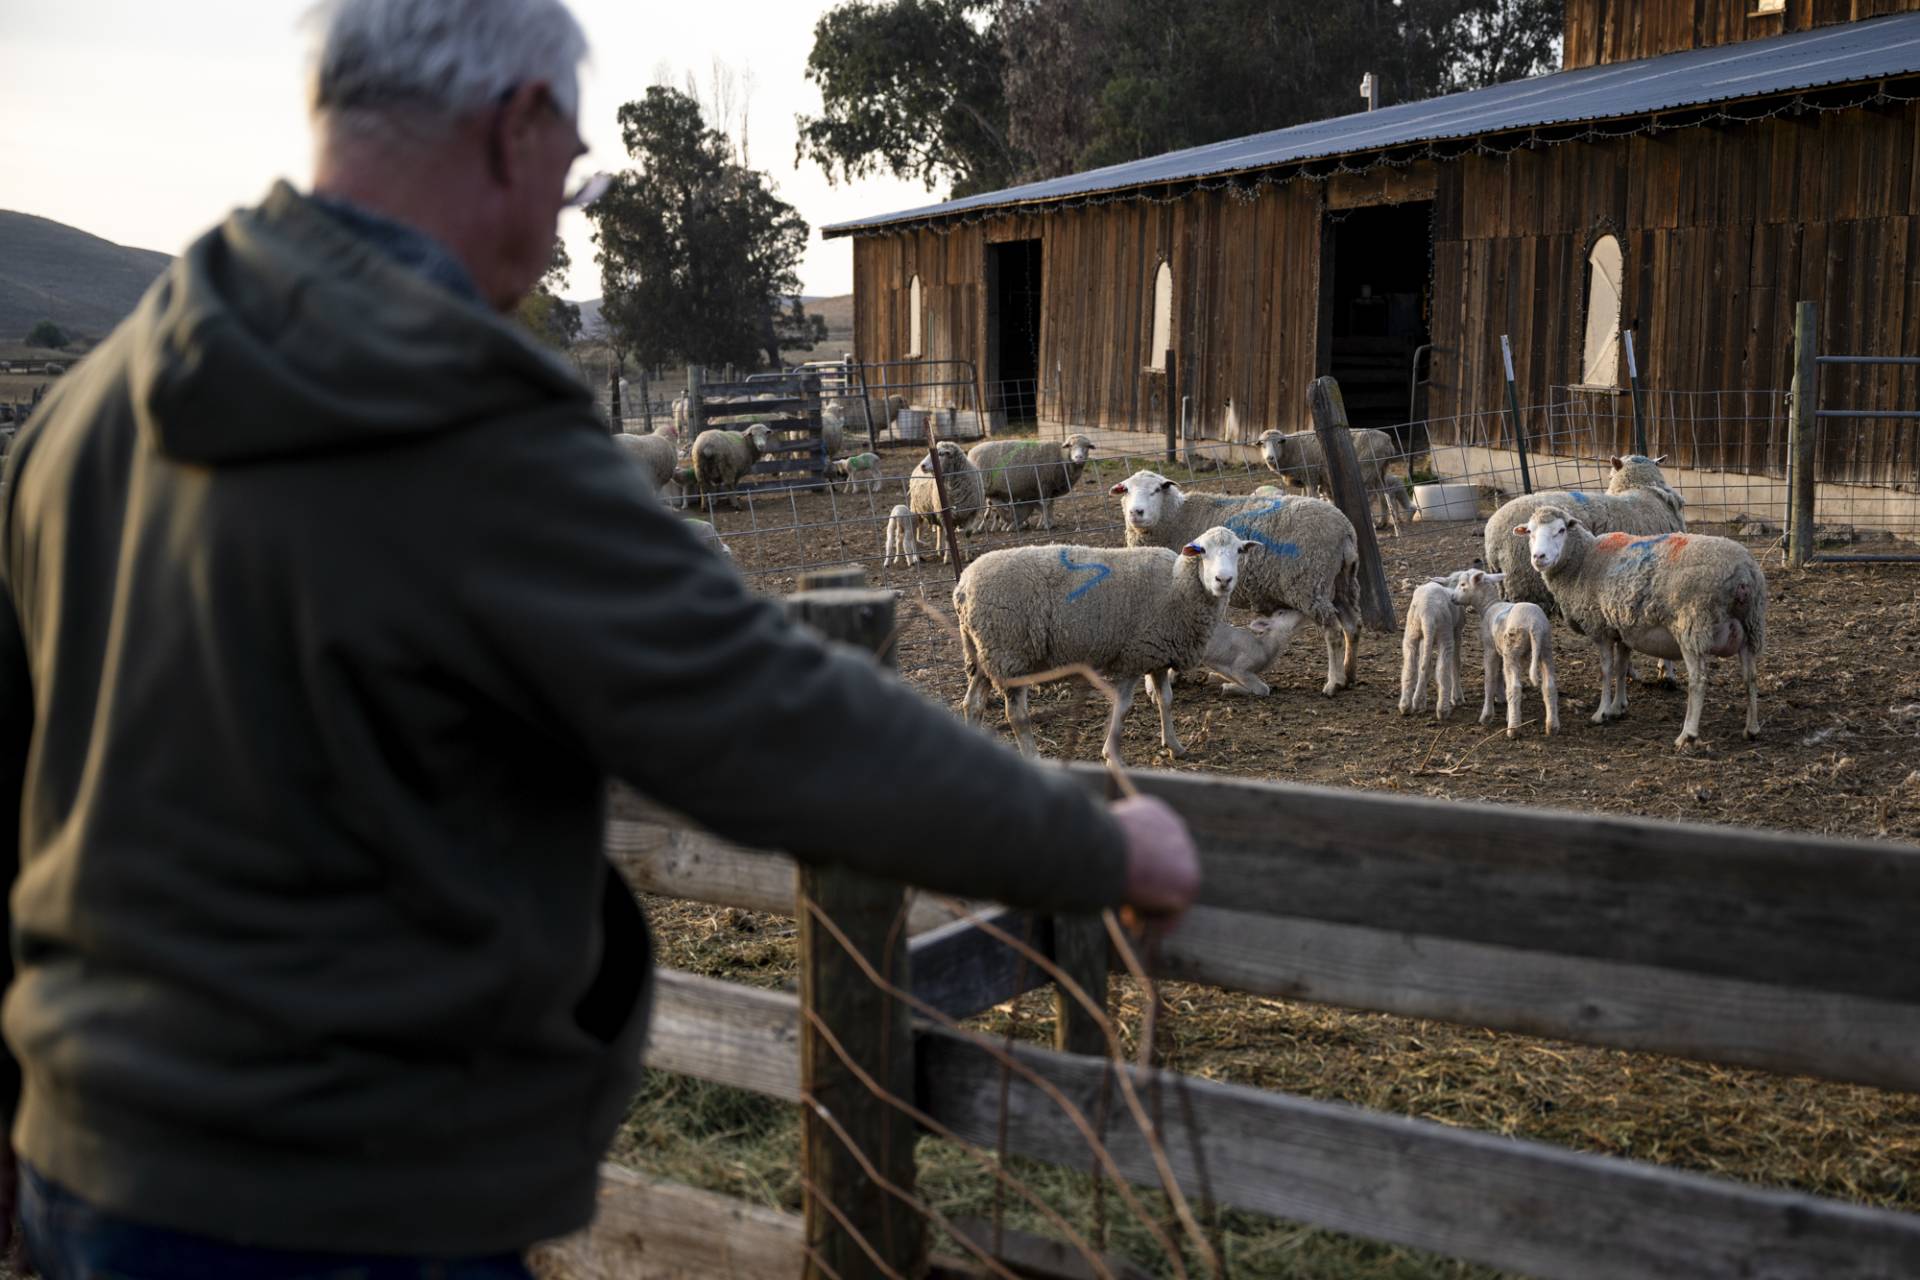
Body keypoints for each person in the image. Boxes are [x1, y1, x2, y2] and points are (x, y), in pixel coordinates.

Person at [0, 0, 1201, 1274]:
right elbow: (763, 716)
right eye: (572, 175)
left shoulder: (83, 419)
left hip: (91, 1162)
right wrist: (1090, 840)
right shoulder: (463, 421)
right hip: (355, 1188)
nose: (558, 229)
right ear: (514, 128)